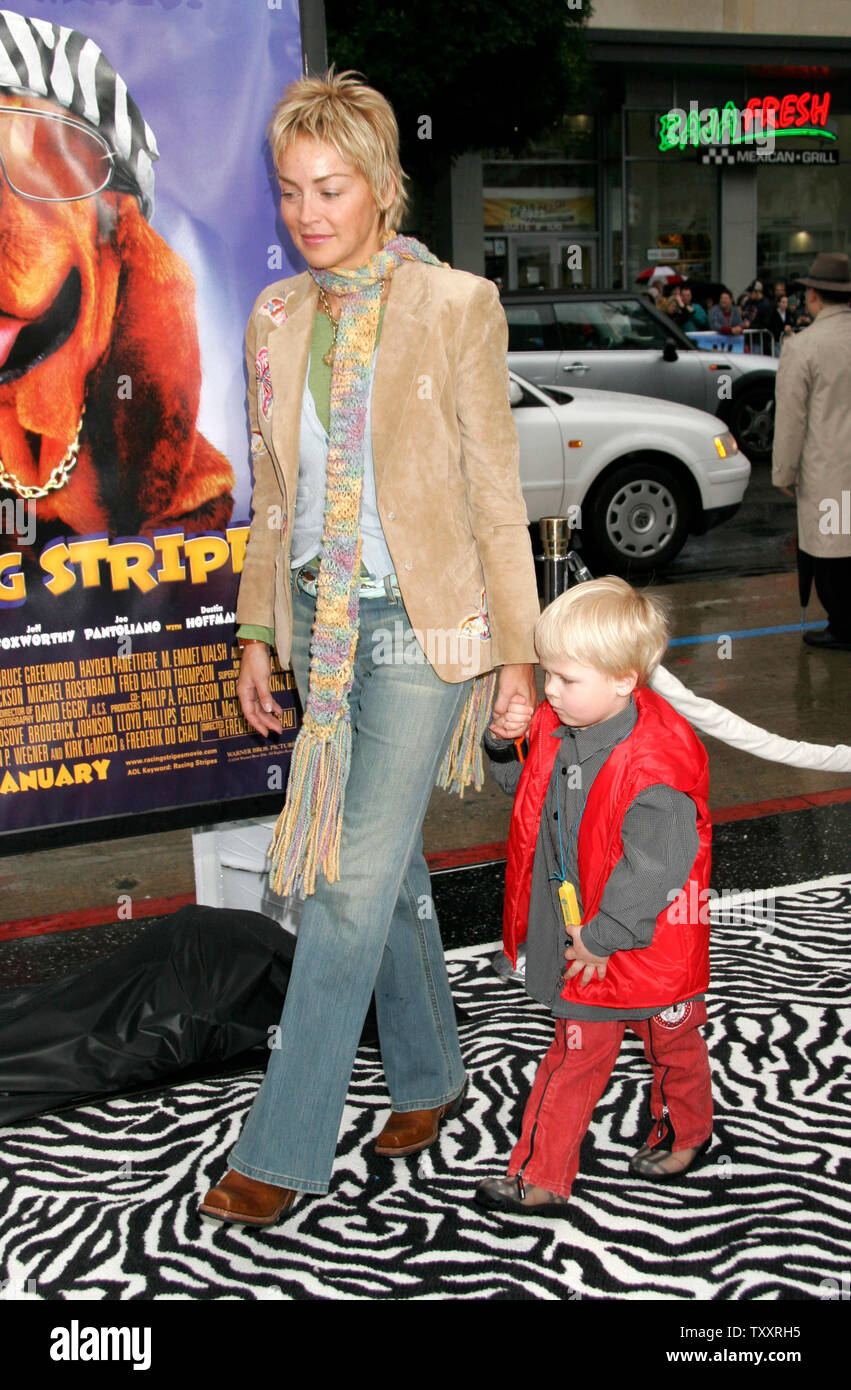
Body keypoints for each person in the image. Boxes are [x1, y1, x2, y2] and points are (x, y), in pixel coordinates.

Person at [197, 70, 540, 1225]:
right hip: (326, 630)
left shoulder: (456, 306)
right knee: (381, 875)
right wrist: (259, 634)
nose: (306, 212)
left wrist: (520, 655)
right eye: (289, 190)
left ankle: (281, 1151)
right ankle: (433, 1074)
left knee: (340, 885)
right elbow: (275, 497)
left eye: (329, 187)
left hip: (424, 631)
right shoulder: (276, 316)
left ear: (383, 186)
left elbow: (496, 496)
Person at [475, 578, 713, 1216]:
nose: (548, 690)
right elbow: (524, 790)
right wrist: (502, 743)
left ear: (625, 680)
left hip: (642, 939)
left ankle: (687, 1133)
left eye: (565, 678)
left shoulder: (656, 764)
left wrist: (602, 938)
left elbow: (655, 867)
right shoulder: (563, 721)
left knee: (673, 1043)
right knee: (576, 1052)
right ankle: (544, 1175)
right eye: (547, 673)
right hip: (588, 933)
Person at [772, 251, 851, 652]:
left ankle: (842, 625)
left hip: (830, 469)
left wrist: (783, 473)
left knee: (834, 551)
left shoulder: (804, 346)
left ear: (814, 296)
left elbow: (791, 420)